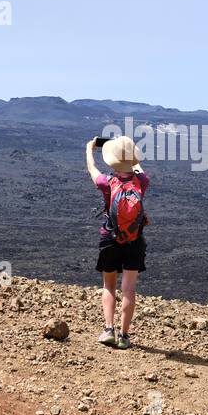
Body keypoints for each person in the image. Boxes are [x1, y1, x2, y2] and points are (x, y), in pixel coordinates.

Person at [86, 135, 149, 349]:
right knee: (129, 289)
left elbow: (91, 168)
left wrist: (90, 148)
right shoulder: (142, 181)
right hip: (135, 241)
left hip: (110, 239)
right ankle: (124, 336)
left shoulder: (106, 182)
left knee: (109, 285)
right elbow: (137, 168)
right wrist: (130, 156)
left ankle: (108, 330)